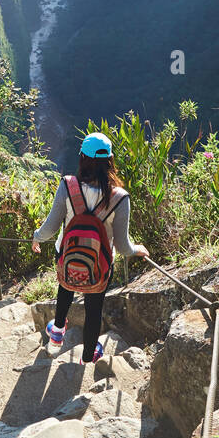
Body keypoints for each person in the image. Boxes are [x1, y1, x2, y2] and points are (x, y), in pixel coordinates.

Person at [32, 132, 147, 364]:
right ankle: (87, 357)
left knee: (65, 286)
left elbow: (50, 227)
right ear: (110, 161)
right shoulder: (120, 198)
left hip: (66, 253)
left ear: (83, 157)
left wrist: (36, 238)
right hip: (100, 264)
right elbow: (124, 247)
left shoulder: (68, 185)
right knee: (94, 309)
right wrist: (138, 250)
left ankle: (57, 333)